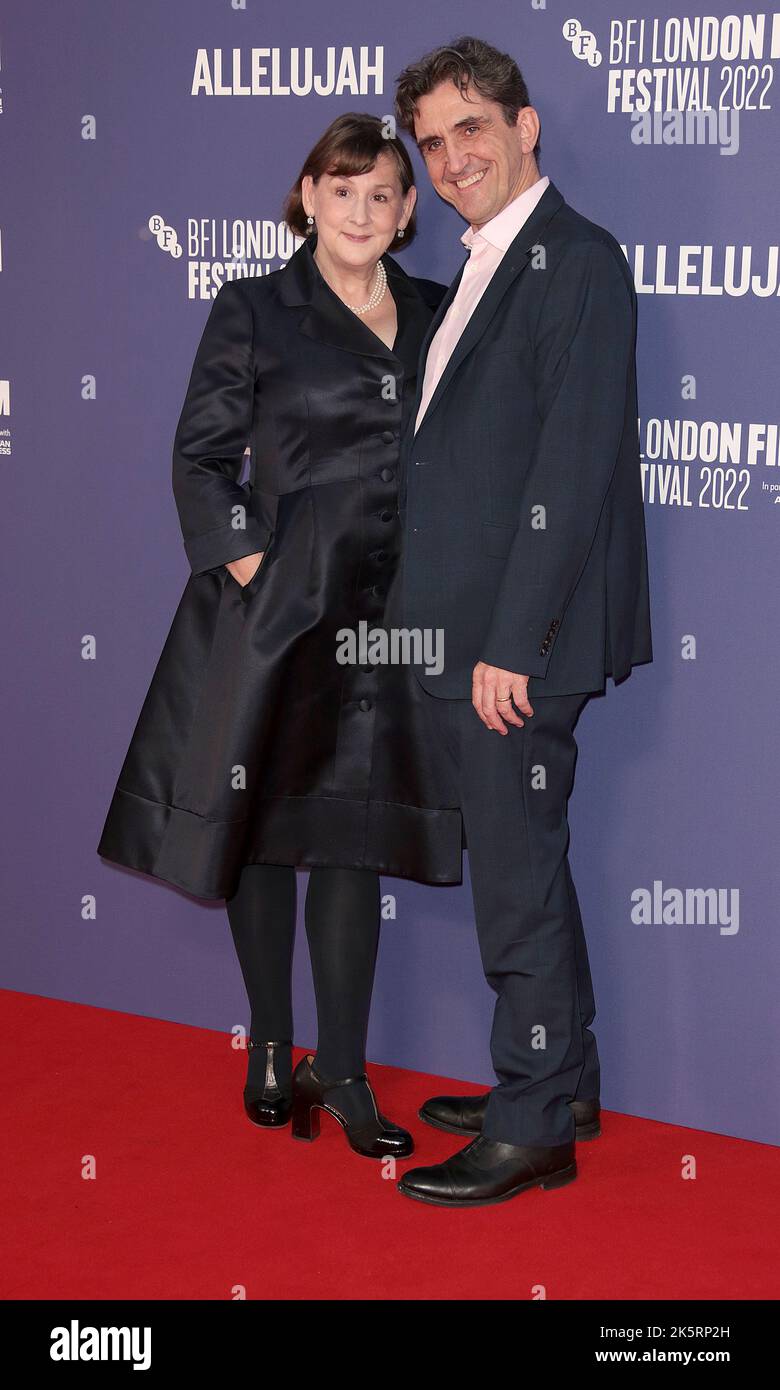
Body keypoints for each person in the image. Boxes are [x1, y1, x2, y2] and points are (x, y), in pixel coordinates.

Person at [96, 114, 463, 1160]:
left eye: (383, 193)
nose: (361, 211)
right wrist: (260, 566)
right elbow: (200, 457)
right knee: (260, 829)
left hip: (390, 625)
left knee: (351, 831)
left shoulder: (441, 315)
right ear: (308, 196)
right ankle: (270, 1041)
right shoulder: (256, 308)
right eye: (341, 190)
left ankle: (339, 1071)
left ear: (405, 214)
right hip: (272, 618)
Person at [391, 36, 653, 1206]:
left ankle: (534, 1123)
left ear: (525, 125)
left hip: (513, 646)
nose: (451, 162)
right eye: (432, 144)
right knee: (527, 867)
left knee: (515, 883)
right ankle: (564, 1079)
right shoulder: (486, 264)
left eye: (470, 131)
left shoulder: (575, 261)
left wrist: (514, 642)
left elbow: (572, 466)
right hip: (469, 631)